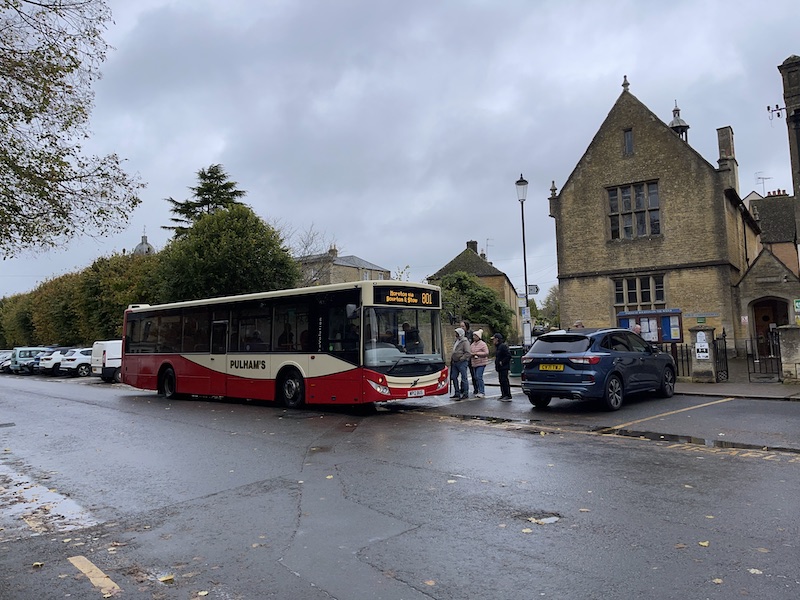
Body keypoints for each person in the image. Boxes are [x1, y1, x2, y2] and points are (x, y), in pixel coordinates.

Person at [450, 327, 471, 400]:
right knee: (453, 377)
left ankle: (465, 393)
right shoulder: (457, 341)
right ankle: (457, 392)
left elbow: (468, 353)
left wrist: (461, 358)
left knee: (464, 378)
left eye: (457, 333)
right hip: (455, 362)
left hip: (462, 362)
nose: (455, 334)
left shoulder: (465, 342)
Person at [492, 333, 512, 401]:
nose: (493, 341)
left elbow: (508, 355)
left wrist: (502, 362)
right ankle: (503, 394)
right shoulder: (498, 346)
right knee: (501, 381)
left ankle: (507, 395)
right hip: (500, 368)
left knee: (504, 381)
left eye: (493, 339)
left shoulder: (502, 346)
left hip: (504, 367)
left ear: (497, 339)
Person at [469, 329, 489, 398]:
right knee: (476, 377)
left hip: (481, 363)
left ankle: (482, 391)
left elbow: (486, 353)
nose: (473, 337)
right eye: (473, 336)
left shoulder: (483, 344)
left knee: (479, 376)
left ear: (478, 337)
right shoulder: (472, 344)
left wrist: (477, 353)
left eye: (475, 336)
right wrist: (471, 354)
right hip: (474, 363)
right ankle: (478, 390)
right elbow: (470, 351)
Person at [460, 320, 477, 392]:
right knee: (463, 373)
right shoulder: (460, 335)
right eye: (460, 326)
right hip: (463, 356)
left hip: (470, 356)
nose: (461, 328)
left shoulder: (471, 334)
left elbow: (475, 344)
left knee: (473, 373)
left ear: (467, 326)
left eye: (463, 326)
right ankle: (463, 388)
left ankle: (476, 388)